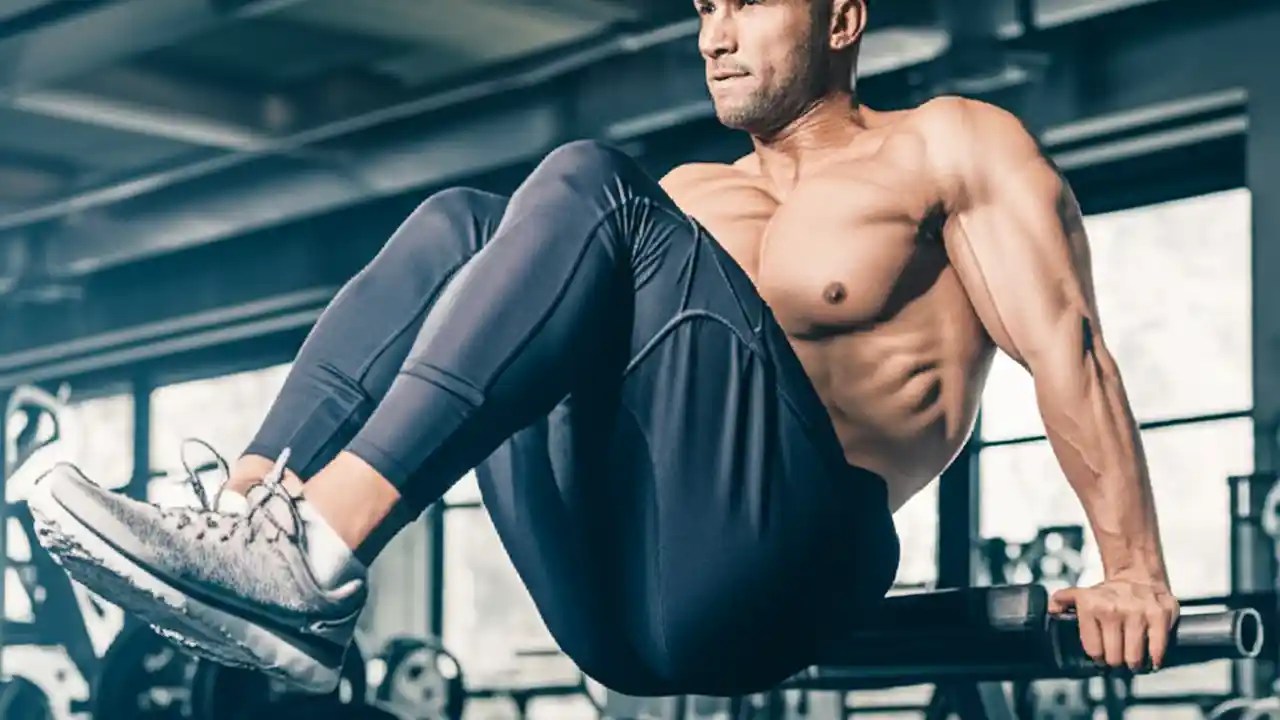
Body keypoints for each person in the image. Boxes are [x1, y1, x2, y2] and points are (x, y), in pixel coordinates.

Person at [28, 0, 1180, 699]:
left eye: (747, 6)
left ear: (841, 19)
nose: (714, 37)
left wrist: (1130, 566)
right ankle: (251, 522)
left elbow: (1068, 350)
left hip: (791, 560)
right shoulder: (688, 202)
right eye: (703, 10)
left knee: (586, 183)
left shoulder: (946, 147)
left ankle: (315, 550)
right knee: (461, 226)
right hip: (623, 600)